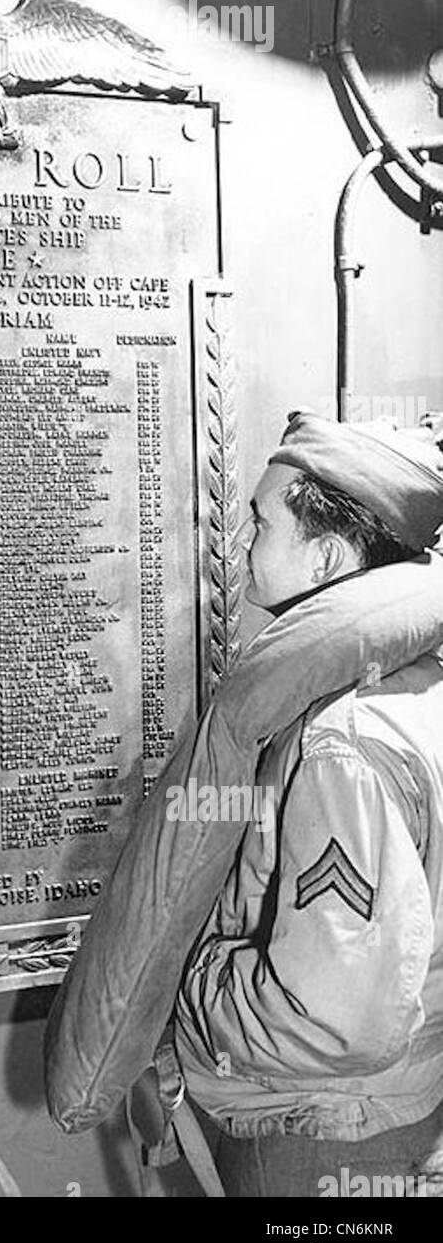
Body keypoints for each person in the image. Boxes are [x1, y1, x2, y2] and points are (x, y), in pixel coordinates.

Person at [174, 410, 443, 1196]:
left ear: (325, 555)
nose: (240, 547)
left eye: (259, 525)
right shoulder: (413, 693)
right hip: (392, 1119)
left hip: (318, 1139)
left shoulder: (341, 743)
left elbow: (334, 1017)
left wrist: (189, 986)